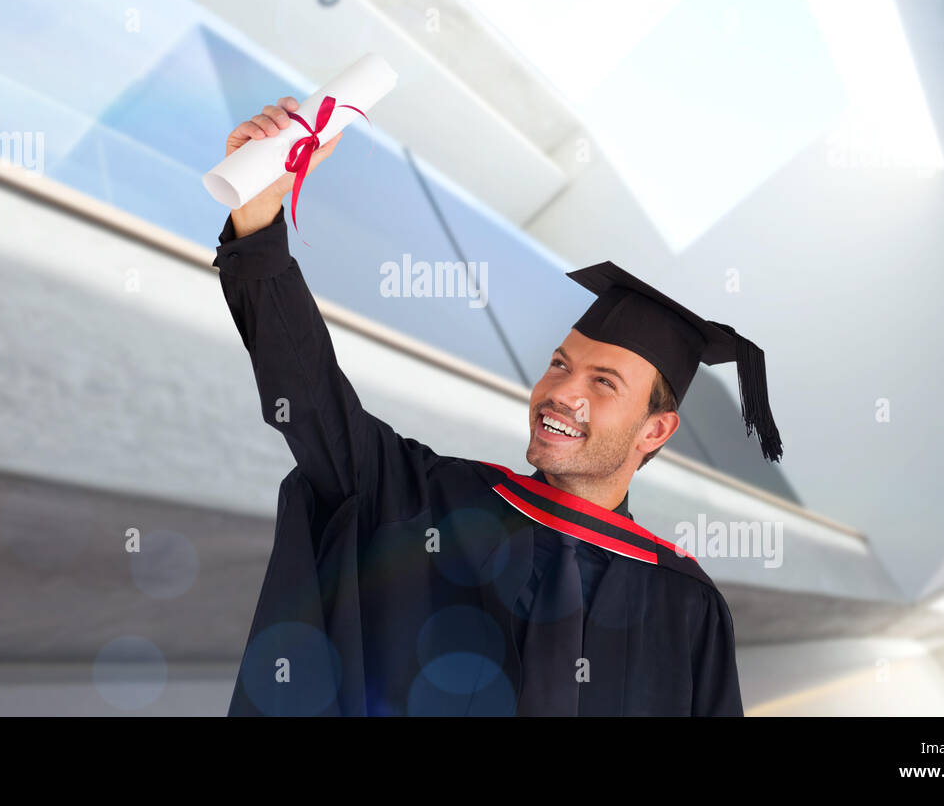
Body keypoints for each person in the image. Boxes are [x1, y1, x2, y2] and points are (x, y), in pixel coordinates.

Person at [215, 97, 782, 716]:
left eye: (603, 382)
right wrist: (259, 226)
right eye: (561, 364)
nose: (563, 391)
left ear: (656, 430)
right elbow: (310, 395)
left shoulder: (686, 607)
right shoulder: (431, 501)